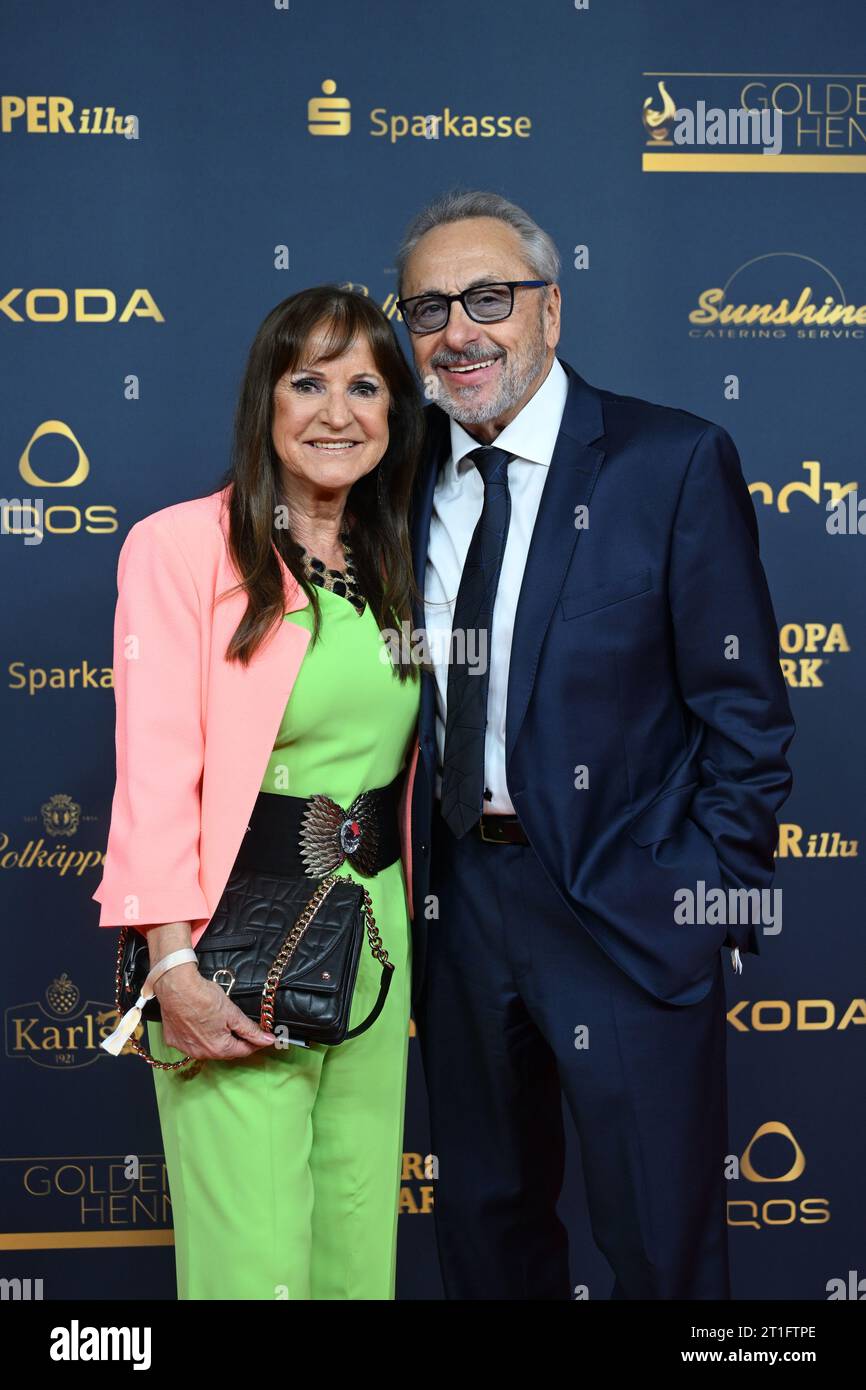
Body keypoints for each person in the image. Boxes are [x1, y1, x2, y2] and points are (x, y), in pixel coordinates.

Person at [395, 189, 796, 1299]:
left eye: (488, 297)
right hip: (460, 908)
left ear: (550, 312)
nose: (456, 331)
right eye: (426, 308)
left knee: (659, 1250)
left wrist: (704, 894)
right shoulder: (400, 478)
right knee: (485, 1236)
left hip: (627, 907)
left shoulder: (667, 462)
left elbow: (743, 709)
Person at [92, 285, 425, 1300]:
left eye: (365, 385)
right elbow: (152, 768)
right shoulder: (179, 546)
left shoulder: (401, 558)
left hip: (374, 931)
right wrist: (172, 964)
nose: (337, 412)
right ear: (264, 403)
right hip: (229, 937)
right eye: (307, 381)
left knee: (354, 1244)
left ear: (394, 412)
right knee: (254, 1271)